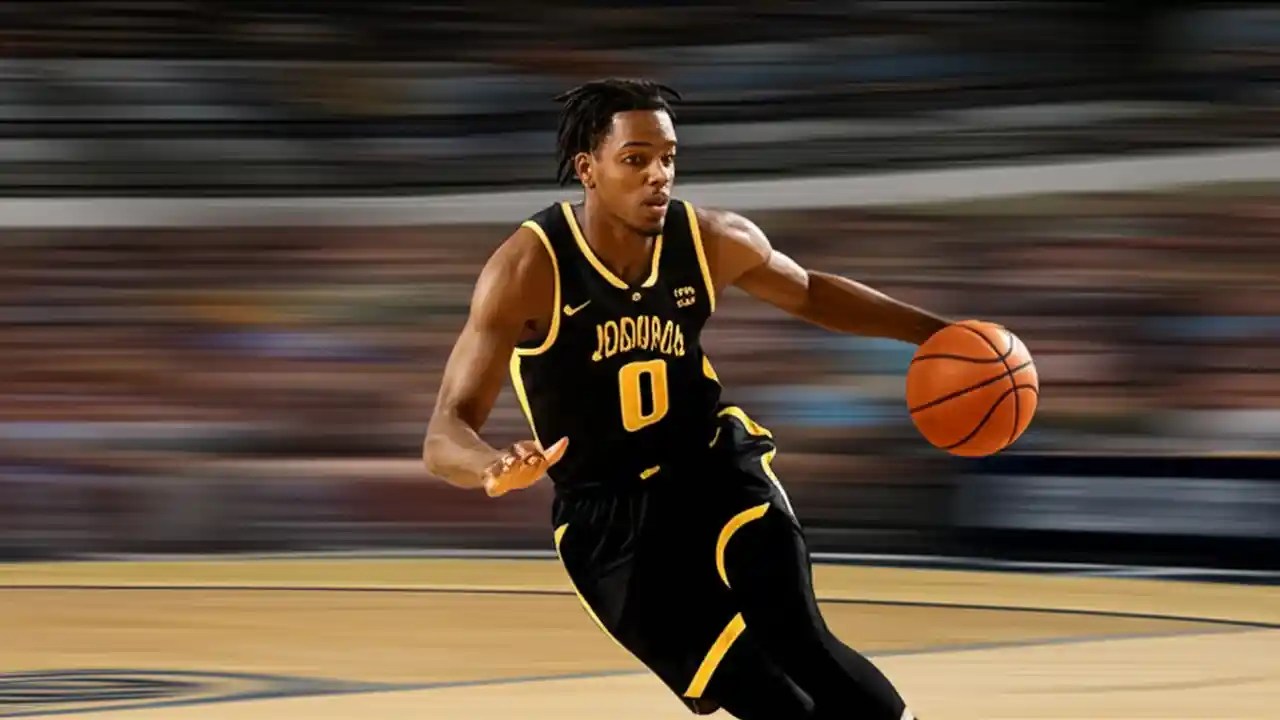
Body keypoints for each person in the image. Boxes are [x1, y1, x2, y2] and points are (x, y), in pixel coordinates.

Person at [423, 78, 945, 719]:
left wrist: (938, 334)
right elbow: (444, 431)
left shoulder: (710, 238)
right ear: (588, 170)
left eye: (668, 157)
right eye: (635, 159)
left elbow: (809, 291)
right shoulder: (528, 268)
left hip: (712, 469)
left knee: (799, 638)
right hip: (607, 515)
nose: (658, 176)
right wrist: (490, 467)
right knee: (769, 699)